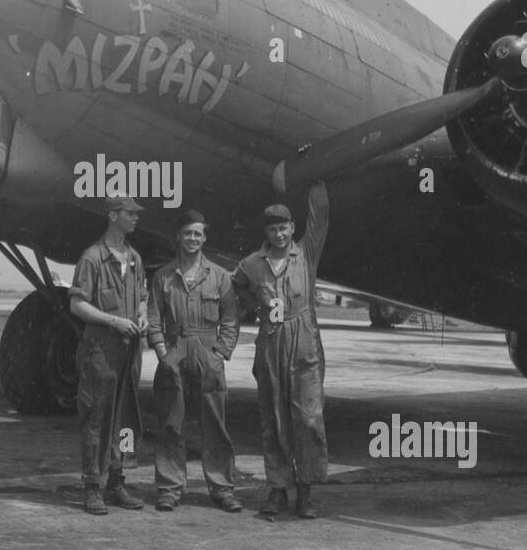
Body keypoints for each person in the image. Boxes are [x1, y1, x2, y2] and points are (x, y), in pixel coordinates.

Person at [231, 182, 330, 519]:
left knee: (308, 418)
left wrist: (317, 181)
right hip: (271, 342)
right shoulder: (252, 264)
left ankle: (306, 492)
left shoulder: (306, 253)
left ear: (293, 228)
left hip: (303, 343)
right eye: (273, 229)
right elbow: (235, 288)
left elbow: (321, 220)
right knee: (273, 419)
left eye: (284, 227)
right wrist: (253, 307)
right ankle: (277, 490)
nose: (279, 234)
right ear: (267, 232)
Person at [146, 210, 242, 513]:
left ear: (205, 237)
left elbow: (230, 321)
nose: (192, 239)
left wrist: (219, 354)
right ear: (178, 236)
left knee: (215, 424)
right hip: (175, 349)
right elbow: (153, 319)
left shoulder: (219, 276)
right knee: (171, 424)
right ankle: (170, 488)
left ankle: (222, 488)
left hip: (208, 352)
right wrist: (163, 353)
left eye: (198, 234)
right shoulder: (163, 276)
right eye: (187, 233)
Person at [68, 196, 148, 515]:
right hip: (100, 349)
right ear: (113, 216)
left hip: (130, 350)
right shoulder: (91, 258)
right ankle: (92, 487)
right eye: (130, 213)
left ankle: (116, 482)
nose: (136, 218)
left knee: (125, 418)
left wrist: (142, 315)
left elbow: (142, 297)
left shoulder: (134, 258)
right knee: (96, 417)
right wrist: (114, 321)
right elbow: (77, 305)